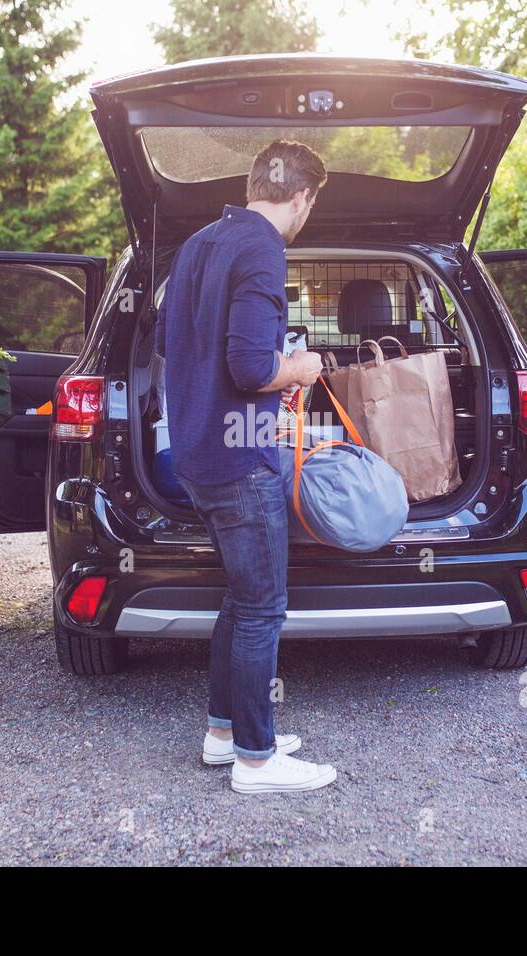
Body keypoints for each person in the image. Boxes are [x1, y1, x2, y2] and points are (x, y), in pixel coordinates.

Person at [158, 140, 335, 794]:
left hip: (198, 456)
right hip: (242, 463)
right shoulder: (263, 247)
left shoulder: (197, 244)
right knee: (262, 608)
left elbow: (172, 345)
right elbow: (252, 368)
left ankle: (223, 734)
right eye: (311, 203)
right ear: (301, 195)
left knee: (239, 599)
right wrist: (303, 367)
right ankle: (257, 762)